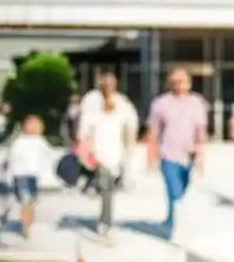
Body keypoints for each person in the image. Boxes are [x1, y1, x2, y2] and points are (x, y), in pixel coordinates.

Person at [147, 68, 208, 234]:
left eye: (181, 81)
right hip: (168, 154)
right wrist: (151, 155)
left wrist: (201, 155)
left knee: (182, 189)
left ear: (188, 83)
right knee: (175, 190)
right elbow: (153, 132)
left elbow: (201, 131)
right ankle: (176, 228)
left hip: (188, 155)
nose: (178, 85)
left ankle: (171, 218)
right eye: (174, 82)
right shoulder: (161, 104)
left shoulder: (197, 103)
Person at [82, 92, 136, 242]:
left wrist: (128, 151)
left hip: (115, 158)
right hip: (100, 158)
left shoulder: (119, 118)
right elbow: (88, 135)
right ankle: (106, 223)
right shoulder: (96, 118)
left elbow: (128, 133)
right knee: (107, 192)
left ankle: (105, 221)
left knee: (109, 191)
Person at [77, 70, 138, 193]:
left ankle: (112, 183)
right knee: (97, 166)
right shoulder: (91, 99)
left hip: (115, 142)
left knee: (113, 169)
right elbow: (85, 121)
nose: (107, 87)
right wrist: (83, 139)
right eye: (104, 84)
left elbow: (130, 122)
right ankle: (94, 181)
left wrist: (130, 142)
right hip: (97, 141)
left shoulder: (122, 101)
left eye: (110, 84)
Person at [1, 114, 56, 239]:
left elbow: (50, 154)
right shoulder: (19, 141)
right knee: (25, 200)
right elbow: (11, 157)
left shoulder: (40, 141)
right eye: (31, 124)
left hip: (33, 175)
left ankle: (27, 223)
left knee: (31, 201)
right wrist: (8, 171)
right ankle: (25, 227)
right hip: (20, 174)